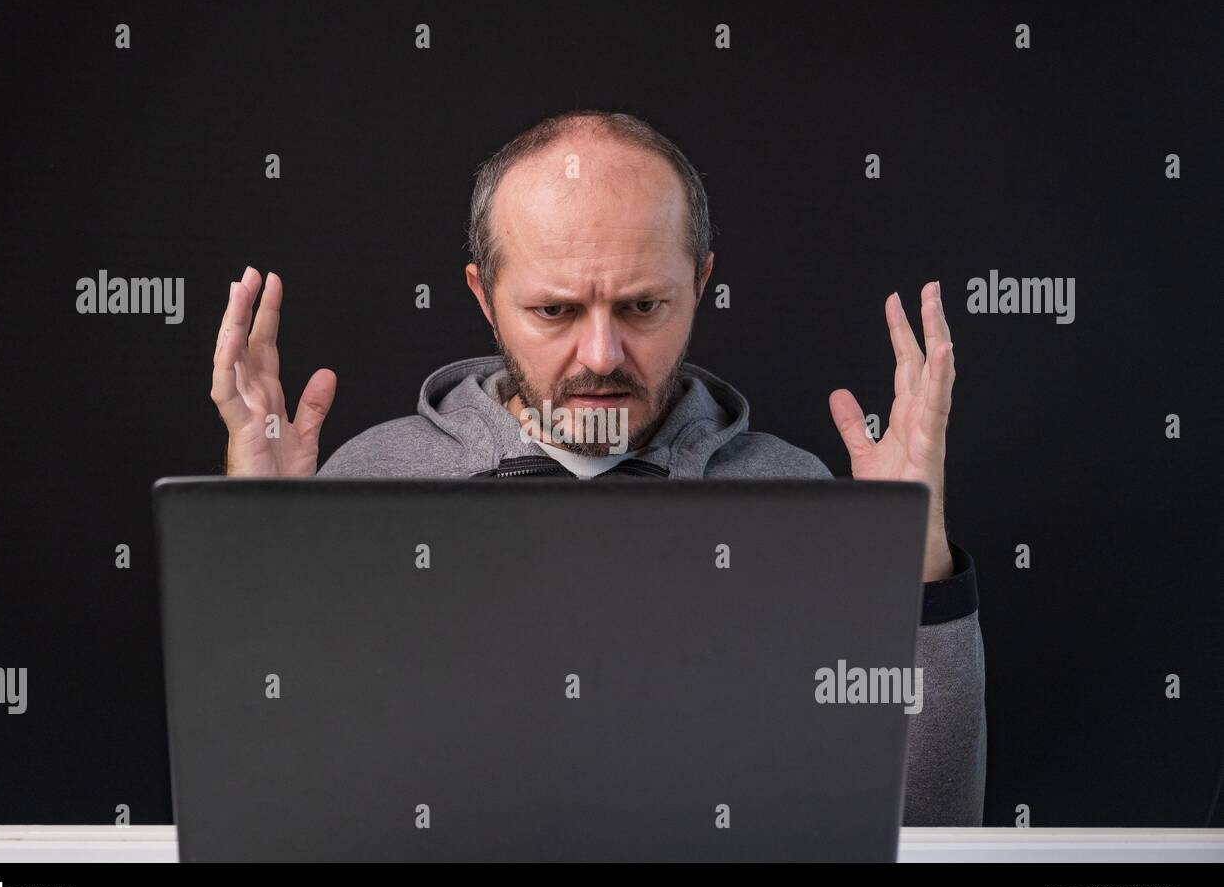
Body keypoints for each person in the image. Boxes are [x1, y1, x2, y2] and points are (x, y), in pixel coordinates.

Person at [209, 109, 986, 826]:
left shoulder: (795, 501)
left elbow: (930, 826)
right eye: (555, 312)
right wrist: (257, 548)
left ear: (702, 284)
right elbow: (268, 817)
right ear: (485, 296)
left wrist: (913, 564)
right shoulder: (370, 485)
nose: (603, 356)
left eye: (644, 307)